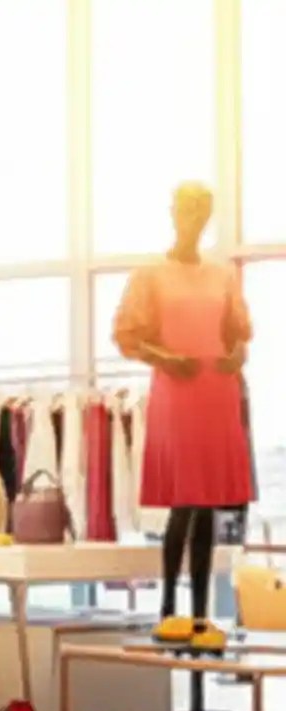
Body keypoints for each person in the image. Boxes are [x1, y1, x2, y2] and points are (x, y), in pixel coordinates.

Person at [113, 181, 253, 650]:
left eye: (202, 208)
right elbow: (129, 335)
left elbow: (239, 331)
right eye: (187, 207)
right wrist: (165, 359)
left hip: (216, 388)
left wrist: (236, 355)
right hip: (177, 387)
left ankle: (200, 612)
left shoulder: (221, 275)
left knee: (209, 500)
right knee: (184, 499)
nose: (194, 216)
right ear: (172, 212)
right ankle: (169, 603)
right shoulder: (150, 275)